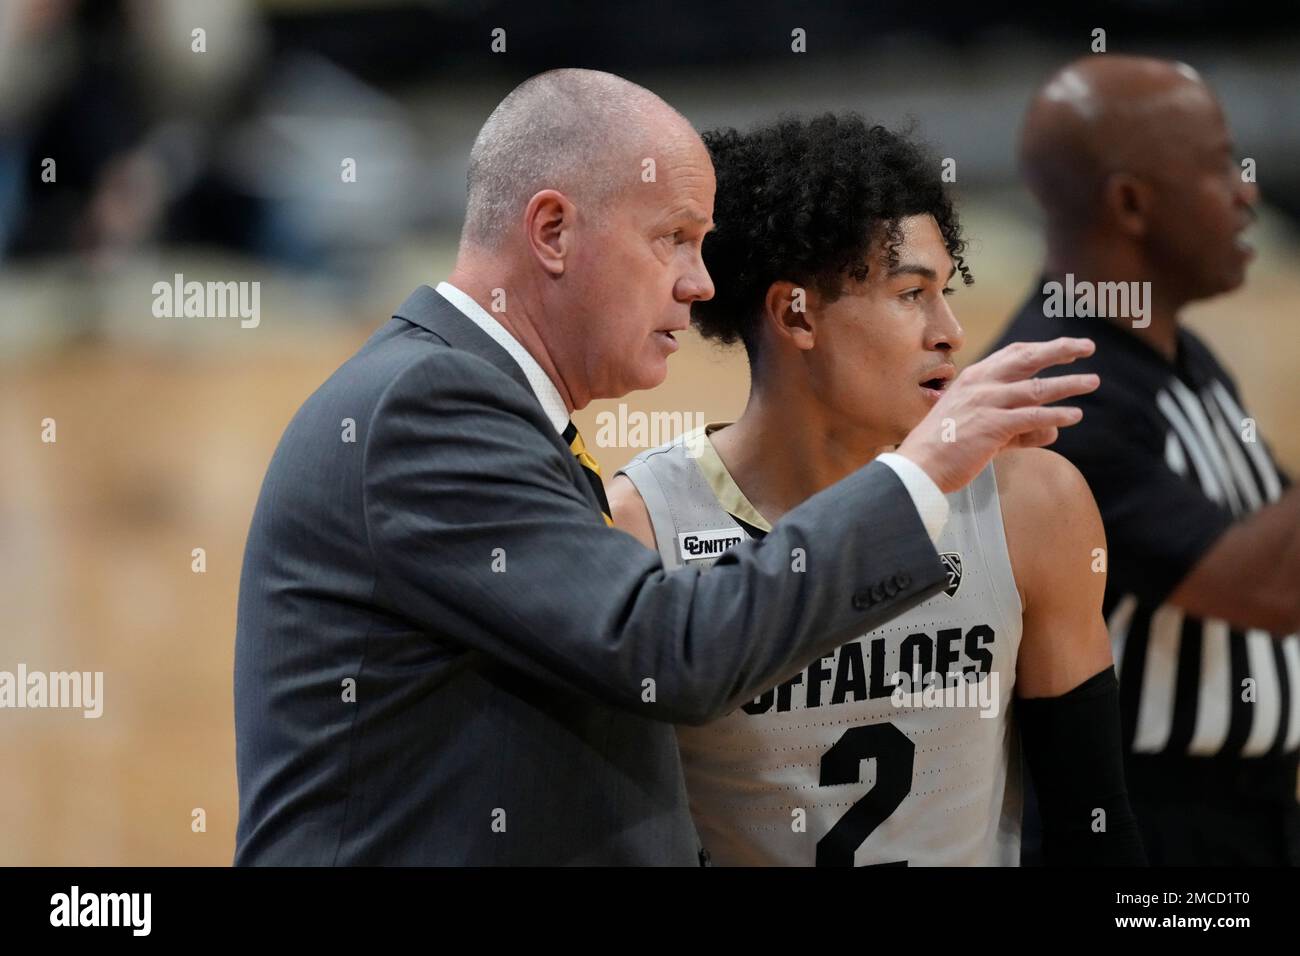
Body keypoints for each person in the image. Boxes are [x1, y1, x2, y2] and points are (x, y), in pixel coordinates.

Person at [234, 69, 1099, 865]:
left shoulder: (474, 402)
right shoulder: (430, 409)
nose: (698, 282)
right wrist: (923, 471)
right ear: (552, 230)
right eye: (674, 240)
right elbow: (669, 650)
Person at [609, 114, 1144, 866]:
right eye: (910, 293)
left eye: (947, 291)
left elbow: (1097, 826)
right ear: (795, 313)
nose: (951, 330)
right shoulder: (643, 524)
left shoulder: (1032, 502)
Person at [988, 55, 1300, 865]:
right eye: (1218, 165)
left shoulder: (1174, 354)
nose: (1246, 193)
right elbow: (1272, 585)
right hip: (1149, 827)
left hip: (1244, 811)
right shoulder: (1060, 389)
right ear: (1130, 202)